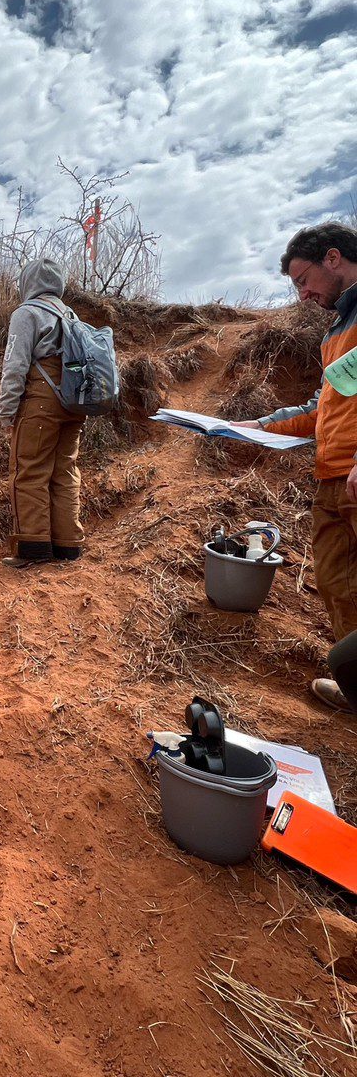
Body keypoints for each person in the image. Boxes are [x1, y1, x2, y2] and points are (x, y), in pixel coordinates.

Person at [233, 222, 357, 712]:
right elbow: (324, 406)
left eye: (304, 279)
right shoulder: (337, 327)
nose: (303, 294)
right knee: (336, 582)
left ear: (333, 258)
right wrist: (257, 426)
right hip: (333, 479)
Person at [0, 256, 85, 568]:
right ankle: (68, 548)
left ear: (28, 283)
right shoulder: (71, 315)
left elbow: (15, 365)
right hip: (75, 403)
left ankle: (33, 550)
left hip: (41, 402)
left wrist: (7, 412)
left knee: (30, 471)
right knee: (64, 472)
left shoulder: (28, 313)